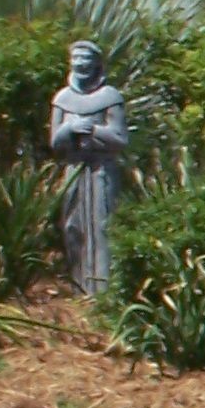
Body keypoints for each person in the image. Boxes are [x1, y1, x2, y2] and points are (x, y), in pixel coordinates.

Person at [48, 39, 127, 297]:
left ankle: (103, 291)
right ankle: (79, 287)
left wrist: (94, 130)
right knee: (74, 225)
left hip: (101, 170)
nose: (81, 64)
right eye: (76, 59)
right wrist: (69, 128)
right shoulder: (63, 98)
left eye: (86, 59)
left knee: (103, 224)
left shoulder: (110, 96)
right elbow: (55, 142)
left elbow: (120, 138)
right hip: (74, 170)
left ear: (96, 64)